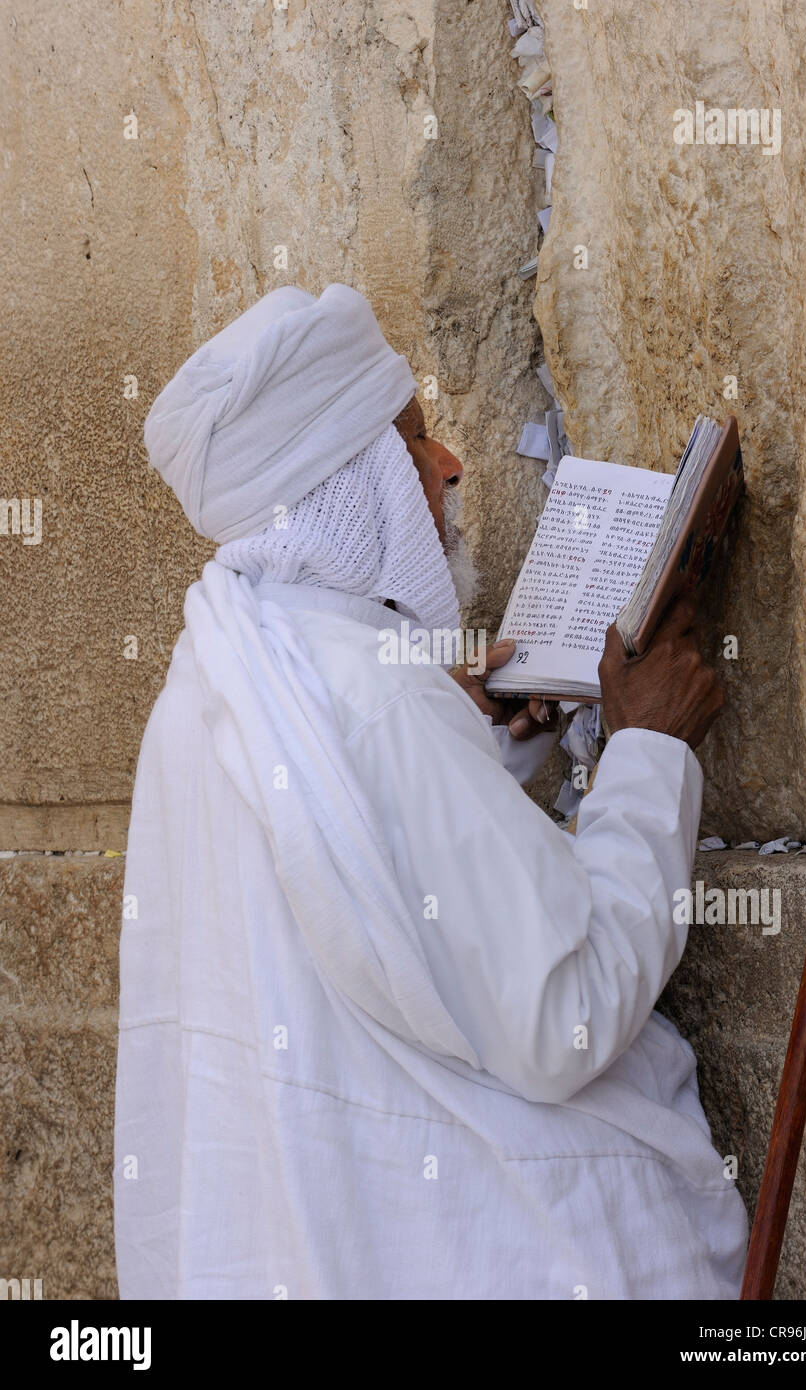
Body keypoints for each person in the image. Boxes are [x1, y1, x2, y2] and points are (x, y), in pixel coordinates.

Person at [114, 283, 748, 1300]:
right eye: (413, 443)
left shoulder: (223, 670)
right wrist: (646, 751)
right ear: (346, 484)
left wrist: (476, 743)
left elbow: (354, 882)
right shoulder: (369, 700)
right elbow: (563, 1022)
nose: (450, 467)